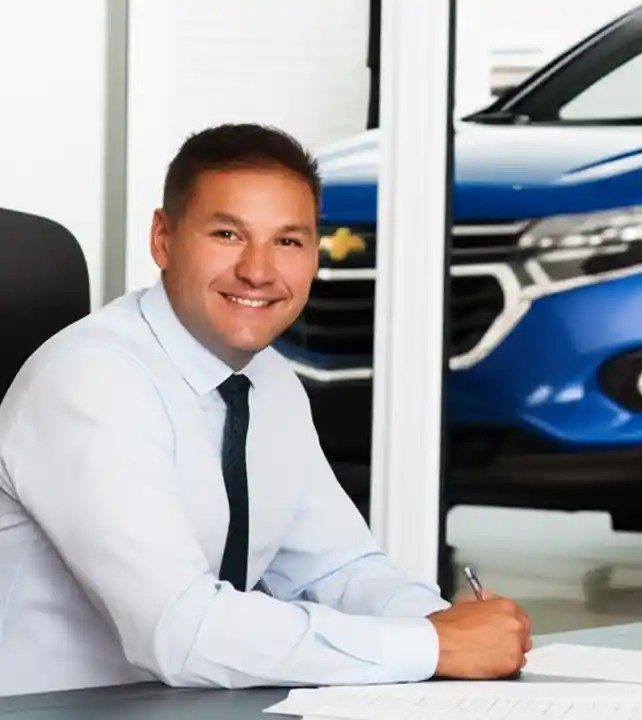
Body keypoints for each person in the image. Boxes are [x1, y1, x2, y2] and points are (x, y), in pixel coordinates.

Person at [0, 124, 530, 696]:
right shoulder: (90, 381)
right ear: (163, 239)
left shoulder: (268, 381)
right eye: (228, 234)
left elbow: (337, 568)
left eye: (288, 242)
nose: (258, 270)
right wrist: (432, 646)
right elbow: (181, 631)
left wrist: (446, 624)